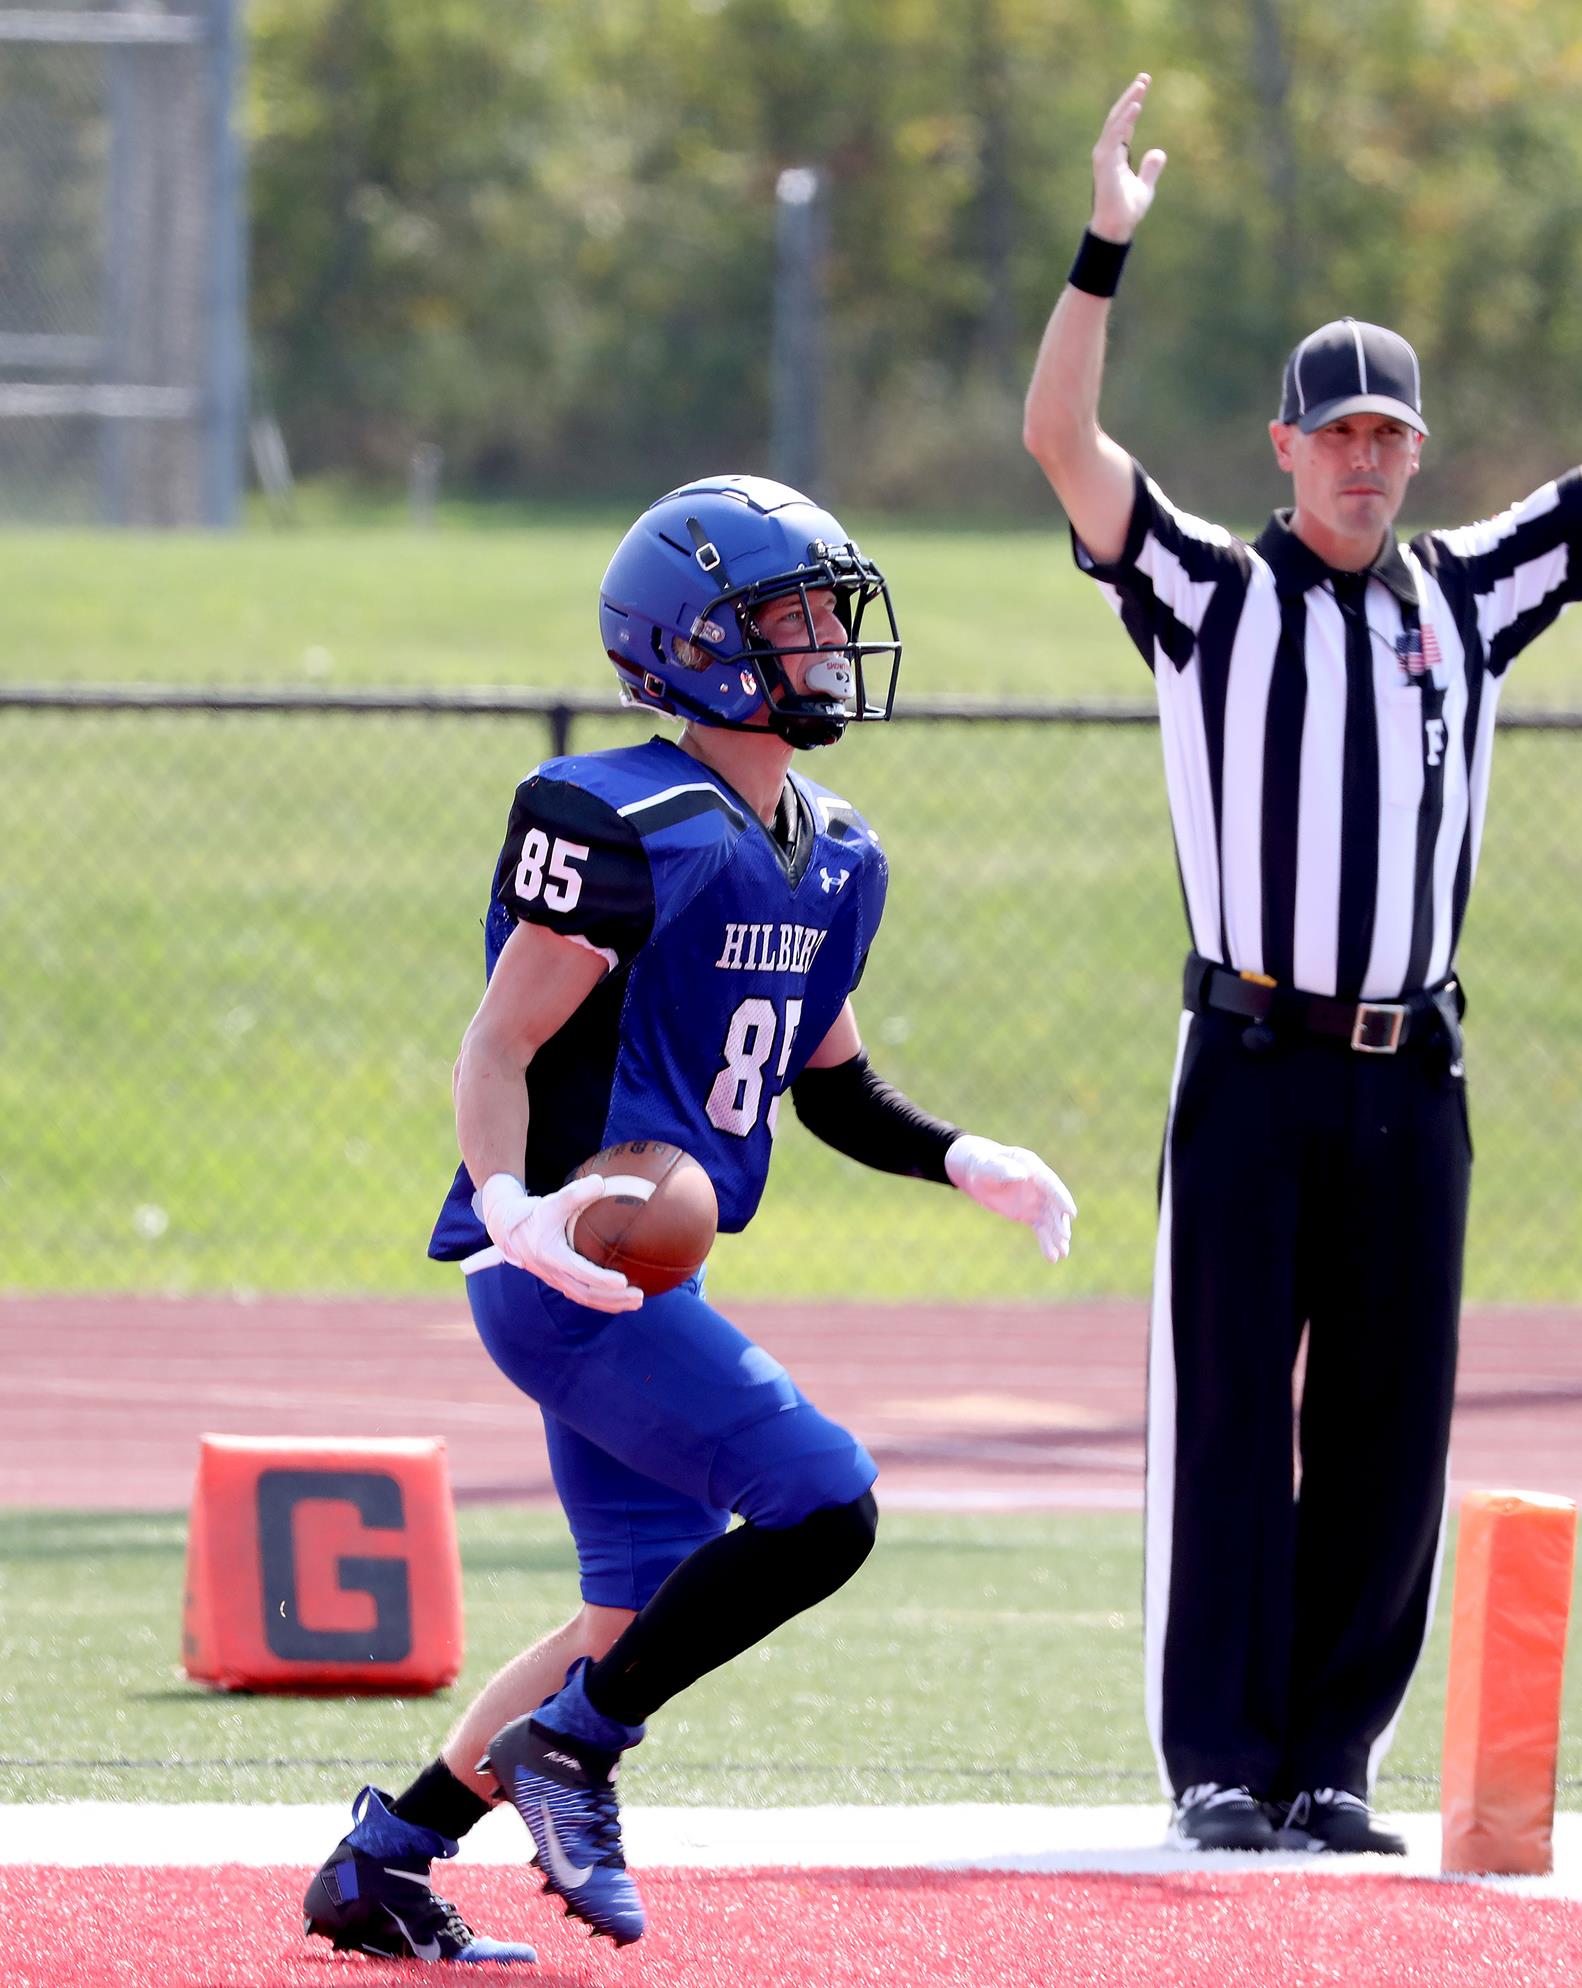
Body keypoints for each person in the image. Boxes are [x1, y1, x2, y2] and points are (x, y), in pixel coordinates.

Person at [1023, 75, 1582, 1854]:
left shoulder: (1465, 599)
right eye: (1331, 432)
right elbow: (1060, 445)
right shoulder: (1203, 592)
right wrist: (1103, 247)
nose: (1360, 458)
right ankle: (1221, 1764)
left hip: (1414, 1068)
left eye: (1386, 435)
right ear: (1283, 448)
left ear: (1416, 450)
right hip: (1251, 1059)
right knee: (1235, 1419)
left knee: (1393, 1427)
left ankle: (1336, 1758)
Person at [302, 475, 1077, 1962]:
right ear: (694, 645)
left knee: (630, 1619)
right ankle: (572, 1755)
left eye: (831, 615)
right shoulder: (625, 821)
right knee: (823, 1505)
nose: (830, 646)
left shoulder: (835, 848)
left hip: (654, 1278)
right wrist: (511, 1204)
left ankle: (386, 1856)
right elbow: (499, 1046)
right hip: (569, 1265)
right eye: (793, 618)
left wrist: (962, 1153)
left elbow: (829, 1084)